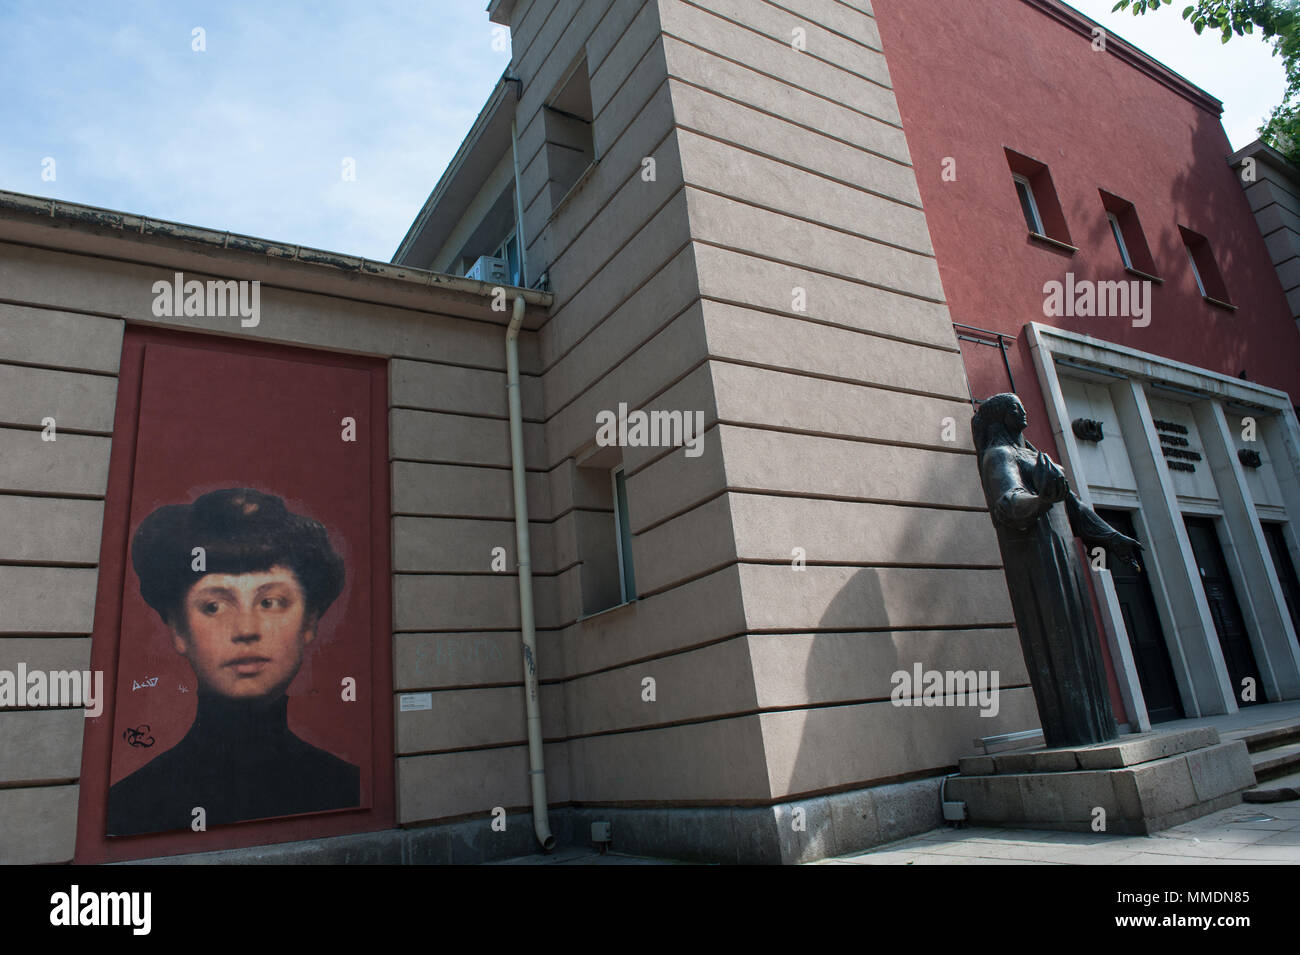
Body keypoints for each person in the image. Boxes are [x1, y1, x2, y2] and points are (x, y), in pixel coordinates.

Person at [107, 488, 360, 836]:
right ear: (178, 629)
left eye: (271, 602)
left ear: (310, 622)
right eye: (214, 605)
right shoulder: (126, 807)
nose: (245, 630)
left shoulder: (346, 790)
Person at [972, 394, 1142, 748]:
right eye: (1016, 408)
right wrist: (1043, 500)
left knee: (1081, 637)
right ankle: (1075, 731)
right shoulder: (999, 456)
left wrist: (1112, 537)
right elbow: (1007, 503)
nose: (1024, 412)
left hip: (1064, 554)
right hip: (1037, 557)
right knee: (1058, 640)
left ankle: (1099, 728)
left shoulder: (1038, 457)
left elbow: (1074, 506)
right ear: (1002, 417)